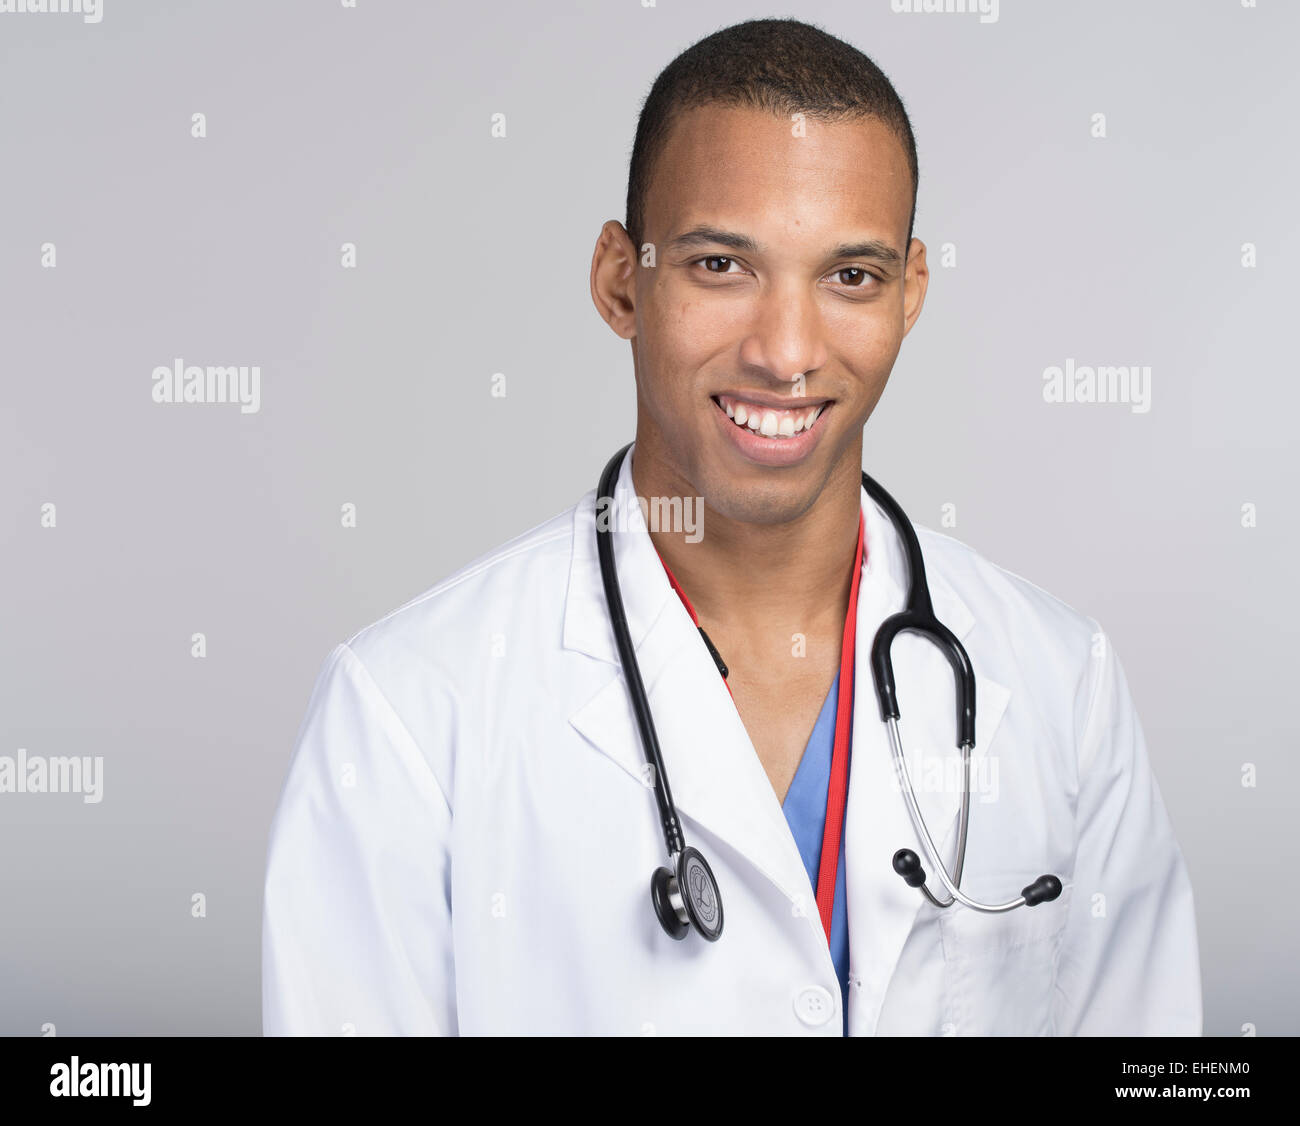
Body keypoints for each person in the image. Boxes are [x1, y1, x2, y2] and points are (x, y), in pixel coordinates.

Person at [262, 18, 1201, 1036]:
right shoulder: (409, 714)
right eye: (720, 265)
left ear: (909, 292)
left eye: (850, 276)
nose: (786, 352)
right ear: (622, 281)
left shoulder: (1062, 682)